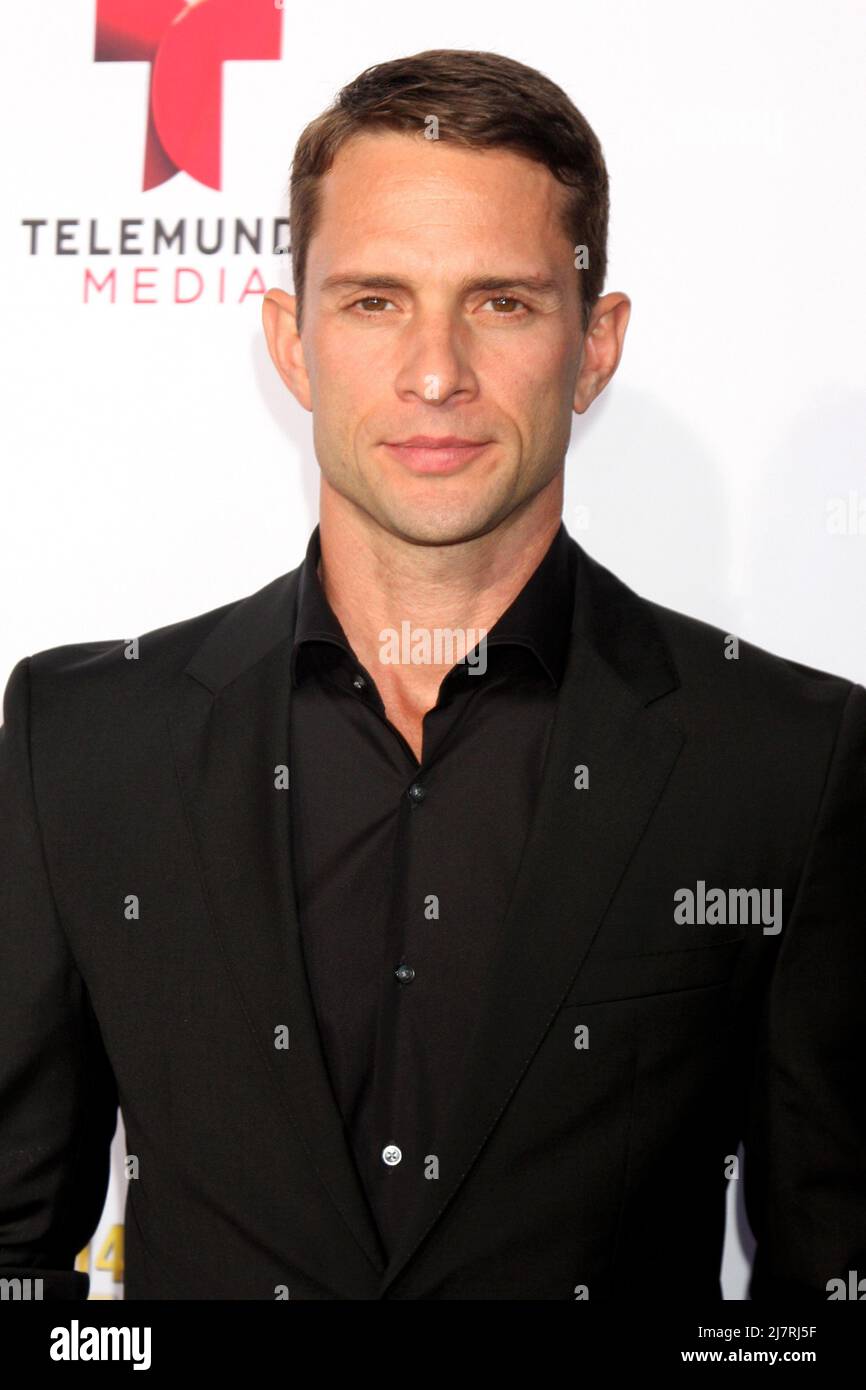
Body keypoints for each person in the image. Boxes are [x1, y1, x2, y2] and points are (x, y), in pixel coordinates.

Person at [1, 49, 864, 1302]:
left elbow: (825, 1287)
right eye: (373, 301)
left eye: (502, 301)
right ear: (290, 343)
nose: (433, 374)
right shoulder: (82, 742)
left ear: (593, 342)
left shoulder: (785, 757)